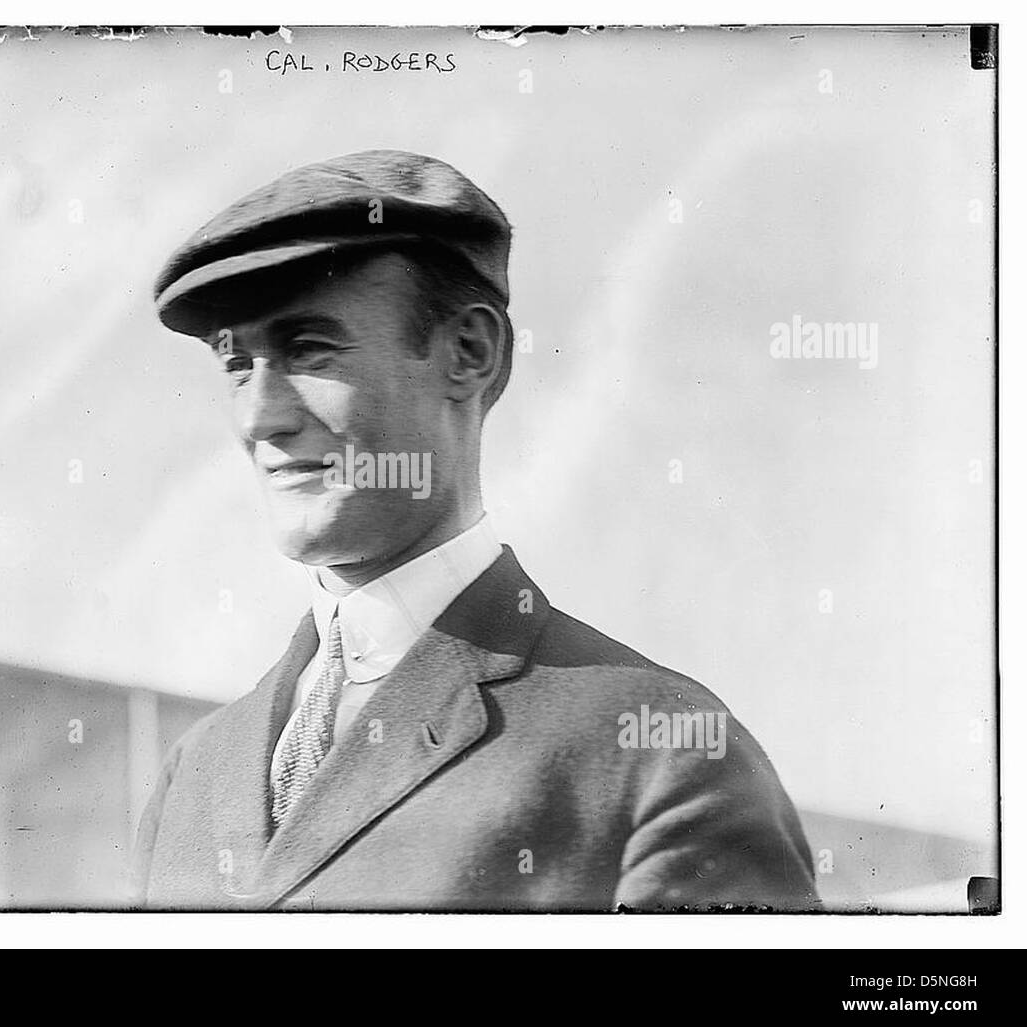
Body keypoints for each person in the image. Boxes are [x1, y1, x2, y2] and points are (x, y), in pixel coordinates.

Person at [132, 150, 819, 911]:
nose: (260, 415)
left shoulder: (662, 751)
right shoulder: (193, 776)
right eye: (237, 364)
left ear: (470, 352)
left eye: (309, 349)